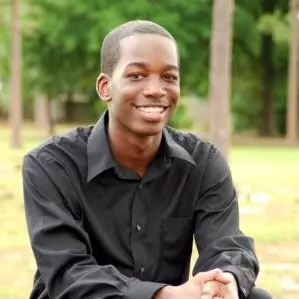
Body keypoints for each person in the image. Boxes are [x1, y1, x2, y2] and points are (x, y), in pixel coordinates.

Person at [22, 20, 272, 299]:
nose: (156, 89)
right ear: (105, 87)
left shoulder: (202, 163)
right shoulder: (51, 165)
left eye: (169, 77)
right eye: (137, 75)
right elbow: (67, 274)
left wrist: (223, 281)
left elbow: (228, 246)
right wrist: (163, 295)